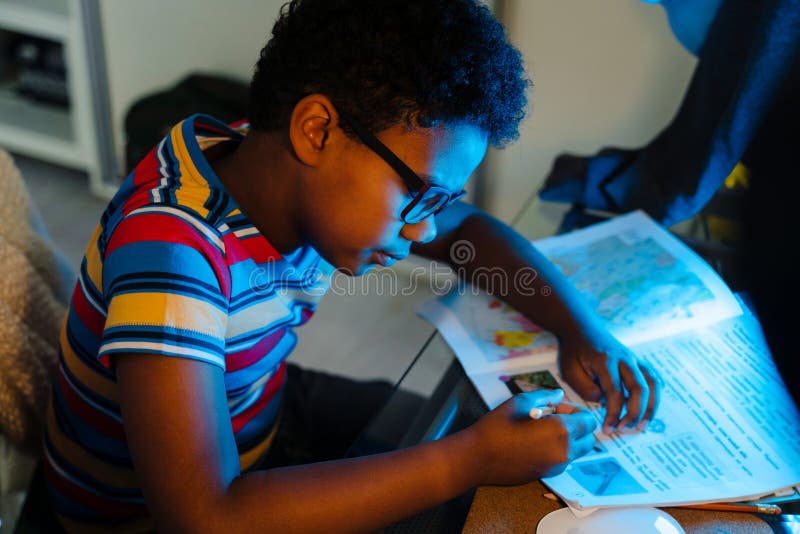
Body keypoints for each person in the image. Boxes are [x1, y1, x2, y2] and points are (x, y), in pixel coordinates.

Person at [43, 1, 659, 531]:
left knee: (443, 426)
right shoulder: (172, 252)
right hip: (149, 518)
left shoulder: (268, 163)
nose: (423, 228)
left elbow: (467, 234)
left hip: (256, 410)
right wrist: (465, 461)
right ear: (316, 131)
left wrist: (582, 328)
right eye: (417, 197)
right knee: (458, 466)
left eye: (436, 203)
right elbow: (204, 517)